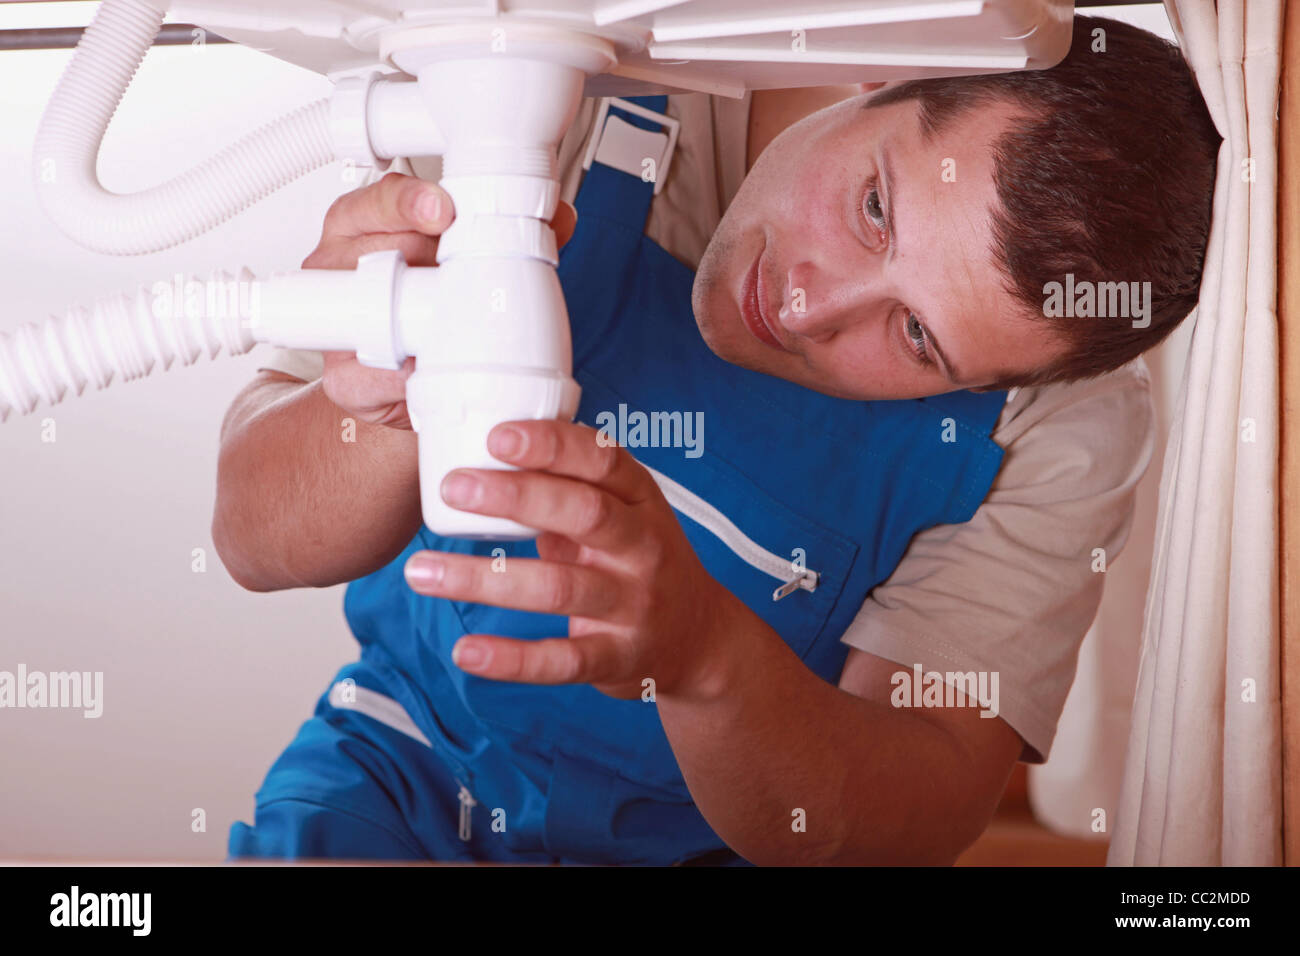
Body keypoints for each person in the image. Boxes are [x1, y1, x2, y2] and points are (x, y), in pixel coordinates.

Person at [213, 15, 1219, 865]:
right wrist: (386, 390)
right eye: (873, 209)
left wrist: (706, 659)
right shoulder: (554, 78)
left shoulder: (1063, 419)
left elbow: (927, 795)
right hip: (399, 776)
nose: (805, 303)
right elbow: (252, 535)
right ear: (880, 72)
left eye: (914, 335)